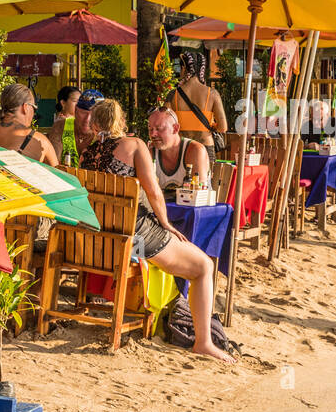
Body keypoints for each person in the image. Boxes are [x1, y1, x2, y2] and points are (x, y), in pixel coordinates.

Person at [80, 100, 233, 362]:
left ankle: (163, 308)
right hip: (136, 236)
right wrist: (166, 224)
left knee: (181, 258)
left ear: (94, 124)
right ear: (121, 122)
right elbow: (153, 192)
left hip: (102, 238)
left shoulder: (86, 153)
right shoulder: (135, 145)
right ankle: (203, 342)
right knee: (203, 267)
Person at [0, 83, 58, 165]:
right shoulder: (40, 140)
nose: (33, 114)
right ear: (25, 107)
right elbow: (59, 175)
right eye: (34, 108)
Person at [169, 52, 227, 160]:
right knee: (206, 177)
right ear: (202, 70)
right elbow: (223, 127)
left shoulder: (173, 95)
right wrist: (210, 125)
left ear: (184, 68)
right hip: (205, 146)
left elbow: (166, 125)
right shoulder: (213, 94)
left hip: (182, 147)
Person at [148, 107, 209, 189]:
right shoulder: (150, 152)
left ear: (175, 128)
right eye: (150, 129)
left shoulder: (195, 150)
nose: (153, 134)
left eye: (159, 128)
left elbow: (198, 192)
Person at [46, 85, 81, 161]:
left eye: (80, 101)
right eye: (75, 101)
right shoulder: (60, 124)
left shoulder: (77, 121)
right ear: (63, 103)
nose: (79, 105)